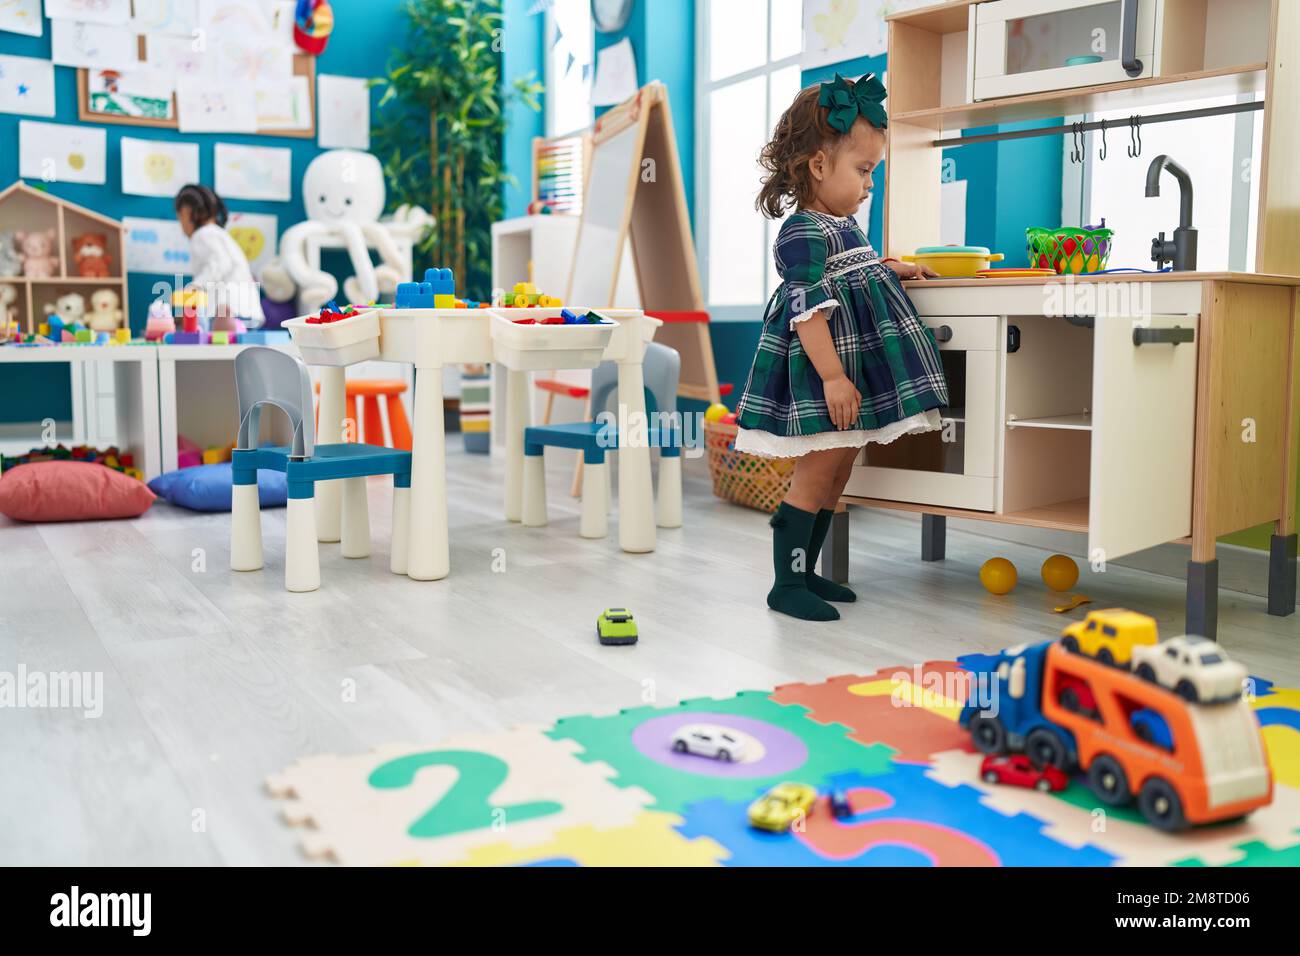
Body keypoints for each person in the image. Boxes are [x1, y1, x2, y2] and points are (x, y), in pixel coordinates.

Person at [735, 74, 948, 622]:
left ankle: (806, 573)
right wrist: (832, 377)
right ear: (819, 166)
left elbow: (855, 273)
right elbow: (807, 312)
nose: (869, 183)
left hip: (849, 369)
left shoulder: (844, 225)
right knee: (817, 470)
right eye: (863, 170)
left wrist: (891, 267)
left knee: (840, 469)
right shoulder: (802, 231)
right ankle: (786, 583)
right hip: (822, 371)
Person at [174, 184, 264, 330]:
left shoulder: (203, 235)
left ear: (186, 212)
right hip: (248, 312)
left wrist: (193, 289)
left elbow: (220, 263)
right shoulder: (219, 234)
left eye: (180, 218)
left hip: (228, 310)